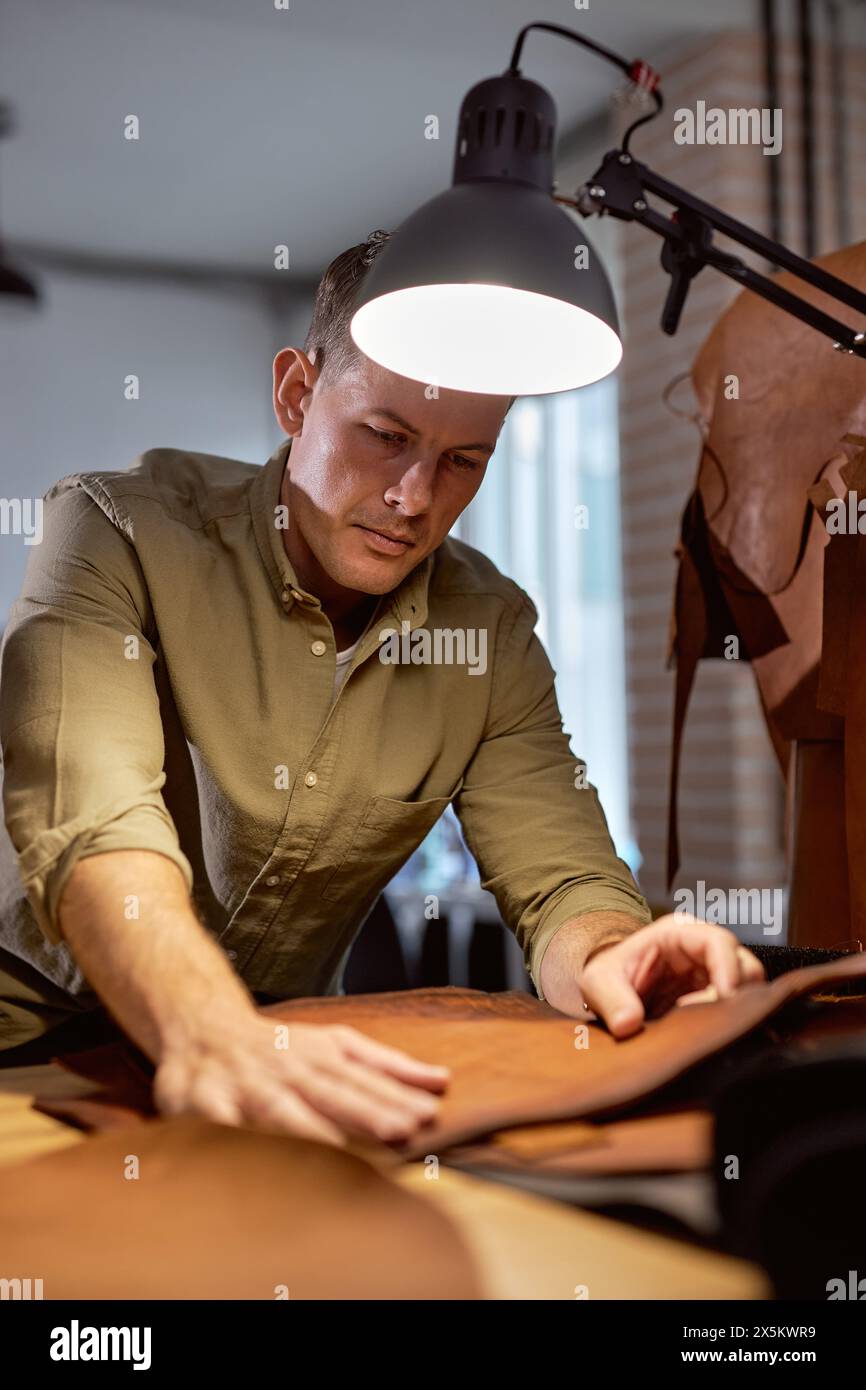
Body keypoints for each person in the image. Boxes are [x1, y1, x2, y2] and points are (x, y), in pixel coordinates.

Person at [0, 230, 764, 1146]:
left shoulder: (489, 629)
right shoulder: (115, 530)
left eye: (462, 462)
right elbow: (95, 827)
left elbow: (559, 874)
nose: (414, 498)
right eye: (385, 437)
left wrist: (614, 951)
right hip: (28, 1041)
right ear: (296, 394)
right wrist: (207, 1027)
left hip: (293, 1055)